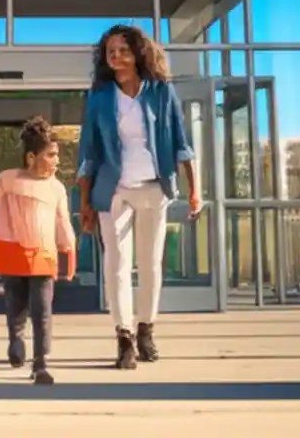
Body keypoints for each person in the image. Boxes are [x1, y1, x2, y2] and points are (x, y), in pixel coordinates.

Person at [77, 24, 201, 369]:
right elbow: (88, 153)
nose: (116, 56)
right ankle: (124, 337)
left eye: (123, 50)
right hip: (112, 190)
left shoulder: (161, 91)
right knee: (116, 265)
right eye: (110, 52)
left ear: (138, 53)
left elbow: (182, 144)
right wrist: (85, 202)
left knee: (149, 264)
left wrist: (195, 191)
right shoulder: (99, 97)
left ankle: (146, 328)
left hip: (153, 188)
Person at [0, 116, 76, 386]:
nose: (56, 161)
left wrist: (68, 248)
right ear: (31, 157)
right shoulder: (9, 179)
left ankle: (41, 362)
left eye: (56, 155)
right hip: (12, 253)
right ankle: (16, 339)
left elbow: (62, 220)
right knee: (16, 305)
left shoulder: (56, 188)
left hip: (43, 256)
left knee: (42, 310)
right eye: (50, 155)